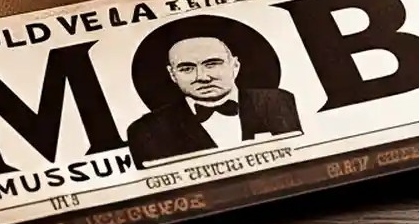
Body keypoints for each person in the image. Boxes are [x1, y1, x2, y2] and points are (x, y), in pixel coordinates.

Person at [127, 36, 301, 168]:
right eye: (187, 69)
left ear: (235, 66)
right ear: (172, 75)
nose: (202, 77)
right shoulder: (146, 131)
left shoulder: (280, 102)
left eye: (212, 64)